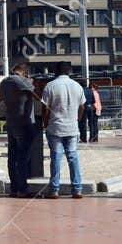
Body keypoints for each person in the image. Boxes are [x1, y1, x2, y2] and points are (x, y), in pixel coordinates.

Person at [40, 63, 85, 199]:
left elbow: (45, 108)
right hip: (72, 127)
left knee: (56, 158)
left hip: (55, 127)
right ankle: (77, 189)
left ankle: (54, 189)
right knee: (73, 157)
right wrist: (77, 119)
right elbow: (82, 106)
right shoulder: (77, 86)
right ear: (69, 71)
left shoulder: (50, 86)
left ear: (56, 71)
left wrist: (45, 123)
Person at [0, 63, 40, 197]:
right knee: (23, 158)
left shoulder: (4, 82)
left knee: (12, 156)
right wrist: (30, 81)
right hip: (24, 123)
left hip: (11, 123)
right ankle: (23, 188)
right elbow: (37, 96)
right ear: (24, 72)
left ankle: (14, 188)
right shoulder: (21, 81)